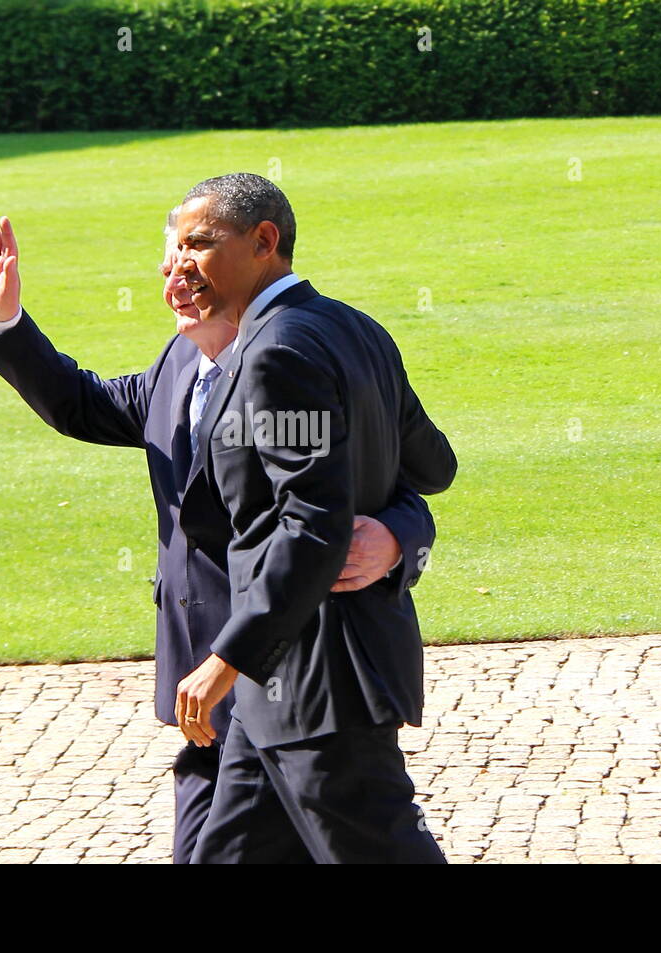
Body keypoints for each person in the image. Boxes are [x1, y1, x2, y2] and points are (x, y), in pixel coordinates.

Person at [0, 207, 439, 862]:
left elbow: (398, 478)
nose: (175, 281)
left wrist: (396, 536)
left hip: (299, 675)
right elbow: (82, 402)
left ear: (259, 248)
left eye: (193, 256)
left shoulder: (287, 353)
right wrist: (6, 324)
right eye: (168, 265)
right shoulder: (179, 365)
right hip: (221, 698)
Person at [169, 173, 458, 863]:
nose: (181, 265)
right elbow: (431, 466)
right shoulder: (357, 329)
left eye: (201, 244)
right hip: (284, 694)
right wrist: (395, 529)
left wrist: (226, 659)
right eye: (178, 247)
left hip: (318, 681)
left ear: (264, 241)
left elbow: (313, 524)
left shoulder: (276, 352)